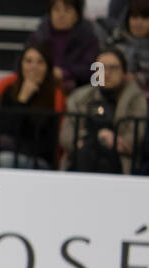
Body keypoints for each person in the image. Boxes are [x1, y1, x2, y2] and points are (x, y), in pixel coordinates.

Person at [0, 42, 64, 169]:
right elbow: (3, 129)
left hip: (38, 158)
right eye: (28, 61)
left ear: (48, 67)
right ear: (21, 65)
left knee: (7, 160)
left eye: (40, 62)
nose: (33, 67)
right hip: (8, 150)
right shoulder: (9, 91)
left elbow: (50, 143)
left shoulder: (55, 96)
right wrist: (22, 99)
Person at [60, 46, 147, 174]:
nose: (106, 73)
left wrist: (114, 141)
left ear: (125, 72)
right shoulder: (79, 97)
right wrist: (92, 139)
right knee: (87, 151)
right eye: (100, 68)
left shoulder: (135, 98)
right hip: (80, 161)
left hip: (120, 165)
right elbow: (66, 137)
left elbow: (134, 140)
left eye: (113, 68)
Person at [29, 0, 99, 94]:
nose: (61, 15)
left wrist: (65, 73)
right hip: (41, 87)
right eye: (56, 10)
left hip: (78, 90)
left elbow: (93, 70)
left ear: (77, 14)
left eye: (67, 10)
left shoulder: (88, 39)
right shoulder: (38, 37)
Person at [113, 0, 149, 92]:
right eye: (134, 17)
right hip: (114, 91)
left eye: (144, 18)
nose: (138, 23)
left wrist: (136, 78)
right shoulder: (116, 41)